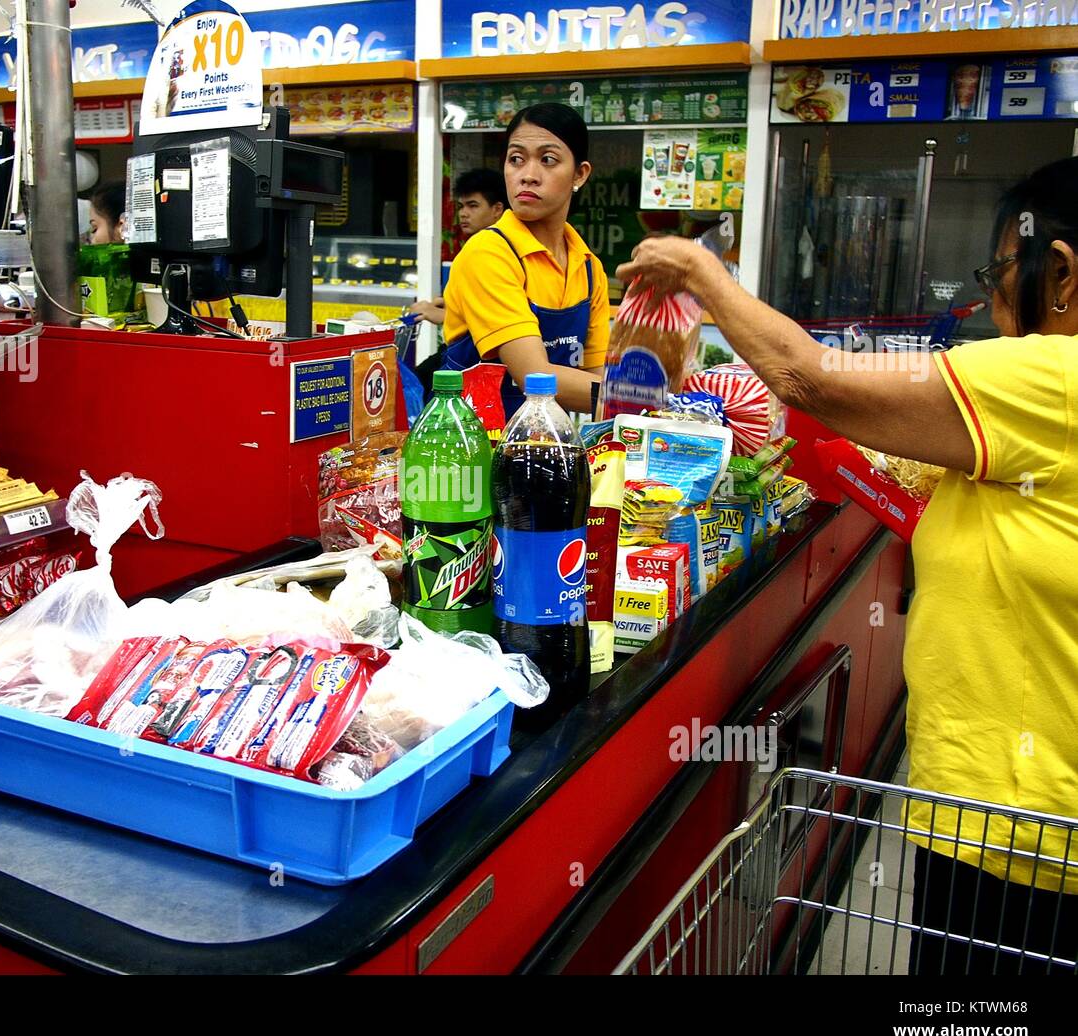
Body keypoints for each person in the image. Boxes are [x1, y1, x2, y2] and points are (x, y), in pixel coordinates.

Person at [619, 156, 1078, 975]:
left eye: (1002, 267)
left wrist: (701, 273)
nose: (998, 292)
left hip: (1021, 829)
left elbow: (811, 377)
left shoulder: (1055, 376)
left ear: (1064, 272)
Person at [439, 103, 608, 415]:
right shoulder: (488, 252)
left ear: (580, 174)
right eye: (516, 159)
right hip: (475, 449)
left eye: (548, 160)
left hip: (548, 444)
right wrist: (643, 404)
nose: (528, 176)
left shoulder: (589, 268)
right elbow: (534, 377)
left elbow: (595, 380)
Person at [409, 169, 508, 327]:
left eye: (473, 206)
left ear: (497, 209)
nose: (463, 213)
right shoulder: (482, 244)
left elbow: (497, 319)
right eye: (461, 206)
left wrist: (443, 316)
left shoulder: (495, 250)